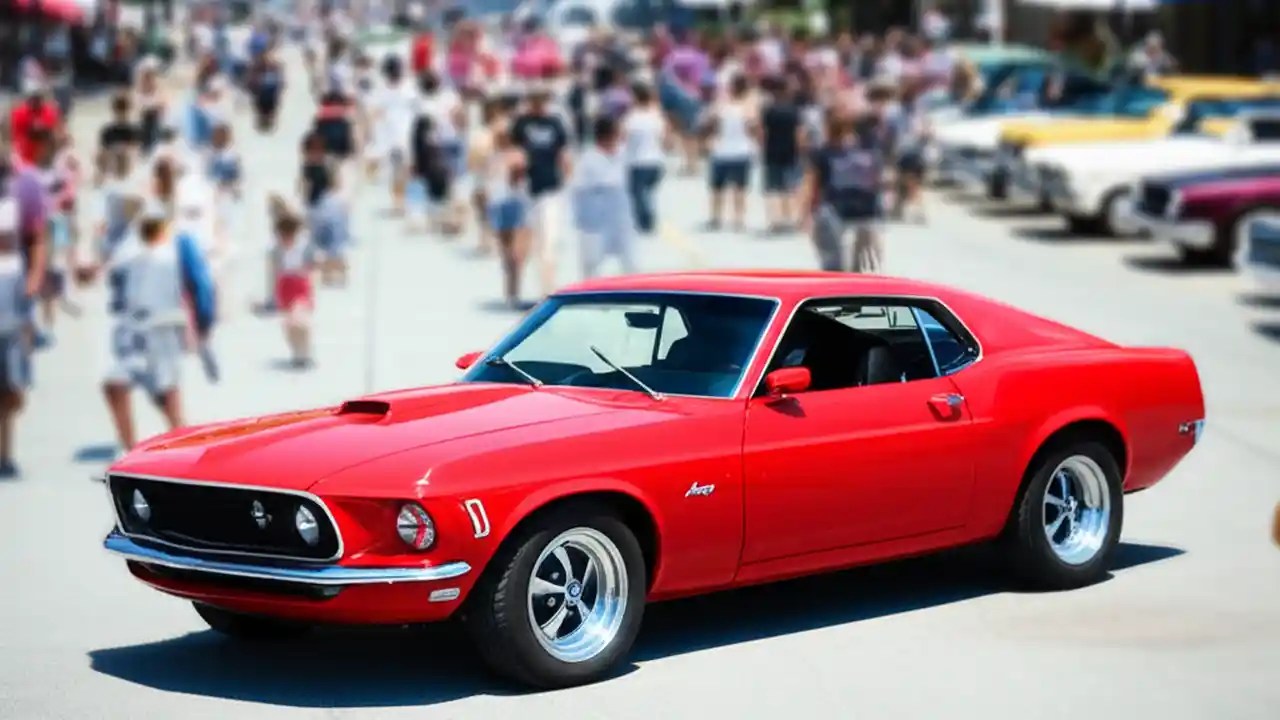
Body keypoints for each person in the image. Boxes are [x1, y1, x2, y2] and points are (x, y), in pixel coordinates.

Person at [99, 200, 216, 452]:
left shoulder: (180, 244)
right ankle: (131, 451)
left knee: (166, 396)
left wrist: (203, 323)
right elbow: (115, 283)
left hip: (164, 331)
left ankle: (185, 450)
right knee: (115, 386)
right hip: (134, 333)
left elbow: (200, 284)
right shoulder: (129, 248)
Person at [805, 111, 888, 273]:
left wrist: (808, 213)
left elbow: (813, 186)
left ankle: (836, 278)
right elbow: (878, 182)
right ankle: (858, 280)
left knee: (833, 260)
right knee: (863, 263)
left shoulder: (824, 152)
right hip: (868, 210)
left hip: (836, 210)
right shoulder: (868, 151)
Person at [511, 84, 572, 297]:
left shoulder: (555, 123)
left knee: (549, 239)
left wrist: (567, 179)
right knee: (527, 242)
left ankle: (547, 287)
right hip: (527, 188)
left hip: (551, 188)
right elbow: (515, 153)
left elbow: (563, 154)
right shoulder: (521, 124)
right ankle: (516, 288)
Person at [573, 115, 636, 279]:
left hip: (620, 217)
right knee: (591, 265)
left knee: (631, 263)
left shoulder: (622, 154)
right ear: (607, 136)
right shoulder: (588, 159)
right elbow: (579, 192)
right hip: (596, 220)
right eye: (617, 134)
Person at [0, 195, 33, 477]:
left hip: (10, 340)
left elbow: (25, 312)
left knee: (11, 399)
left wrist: (26, 345)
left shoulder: (15, 266)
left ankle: (6, 454)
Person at [486, 122, 530, 308]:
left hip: (515, 203)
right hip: (500, 204)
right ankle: (511, 291)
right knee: (506, 252)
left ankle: (514, 290)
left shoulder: (518, 155)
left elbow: (520, 178)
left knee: (516, 253)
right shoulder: (494, 157)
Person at [705, 74, 757, 231]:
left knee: (717, 187)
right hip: (742, 150)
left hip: (721, 150)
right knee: (740, 187)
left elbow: (709, 122)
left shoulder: (721, 106)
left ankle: (716, 217)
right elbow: (753, 128)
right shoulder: (749, 108)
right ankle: (739, 219)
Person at [370, 55, 417, 215]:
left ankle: (399, 202)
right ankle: (401, 202)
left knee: (398, 171)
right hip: (404, 136)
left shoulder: (382, 91)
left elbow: (375, 113)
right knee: (402, 170)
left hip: (393, 137)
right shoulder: (409, 88)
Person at [270, 211, 317, 369]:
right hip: (285, 286)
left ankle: (306, 351)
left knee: (300, 320)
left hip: (300, 284)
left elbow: (313, 267)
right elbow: (274, 270)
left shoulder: (304, 246)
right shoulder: (277, 249)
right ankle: (297, 353)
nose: (285, 240)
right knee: (289, 324)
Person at [760, 75, 804, 233]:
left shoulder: (768, 110)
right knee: (792, 187)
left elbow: (762, 132)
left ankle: (775, 221)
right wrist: (802, 150)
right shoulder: (793, 110)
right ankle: (791, 218)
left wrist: (763, 148)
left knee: (773, 189)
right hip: (790, 152)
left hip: (771, 152)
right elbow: (799, 134)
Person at [622, 82, 667, 235]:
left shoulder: (632, 118)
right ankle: (647, 219)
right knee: (648, 192)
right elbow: (664, 138)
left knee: (638, 194)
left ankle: (646, 221)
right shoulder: (656, 117)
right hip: (656, 160)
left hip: (638, 161)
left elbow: (624, 138)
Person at [9, 83, 62, 166]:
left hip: (44, 151)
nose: (35, 101)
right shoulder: (19, 112)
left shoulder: (50, 112)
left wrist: (43, 129)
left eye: (38, 98)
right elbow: (17, 134)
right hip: (24, 151)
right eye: (33, 98)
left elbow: (52, 132)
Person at [96, 93, 141, 186]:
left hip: (127, 167)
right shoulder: (107, 131)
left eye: (123, 109)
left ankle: (120, 180)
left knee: (125, 154)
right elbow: (102, 154)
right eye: (119, 109)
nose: (121, 113)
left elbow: (136, 153)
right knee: (101, 156)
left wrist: (120, 150)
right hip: (111, 167)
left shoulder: (134, 131)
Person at [134, 59, 168, 155]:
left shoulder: (159, 92)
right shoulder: (138, 93)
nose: (148, 79)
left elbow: (162, 107)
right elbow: (138, 109)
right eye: (146, 76)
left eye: (150, 76)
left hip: (156, 124)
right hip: (143, 126)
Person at [248, 48, 286, 133]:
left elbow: (280, 82)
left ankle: (267, 120)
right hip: (262, 93)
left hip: (269, 93)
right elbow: (251, 82)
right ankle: (264, 120)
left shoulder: (275, 67)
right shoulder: (257, 67)